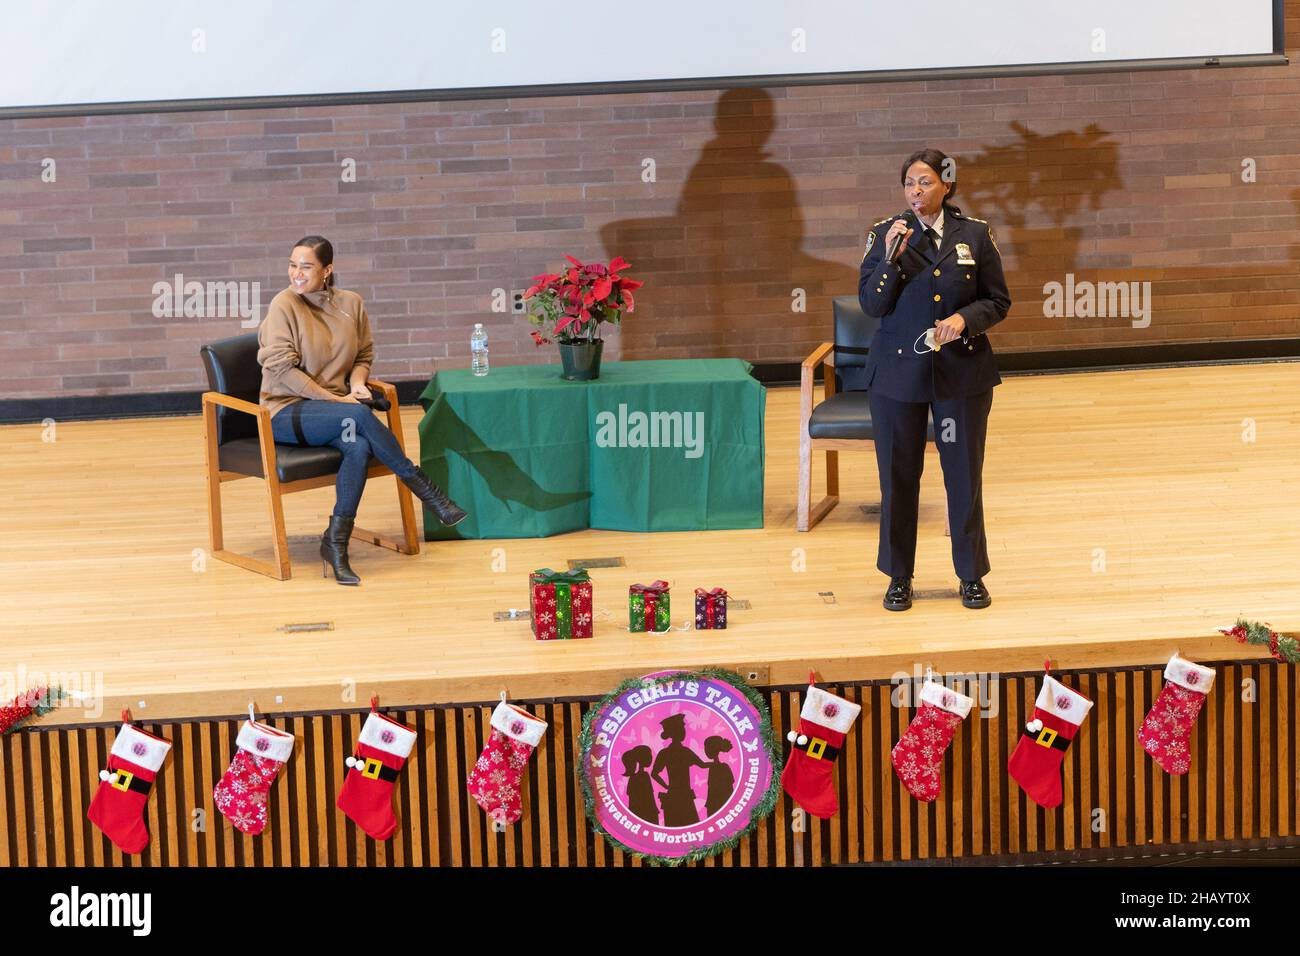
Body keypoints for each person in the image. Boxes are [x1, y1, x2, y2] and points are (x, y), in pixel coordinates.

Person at [257, 236, 467, 585]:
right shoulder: (283, 305)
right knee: (357, 417)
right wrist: (339, 401)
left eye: (306, 266)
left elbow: (363, 356)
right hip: (285, 411)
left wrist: (357, 384)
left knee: (358, 446)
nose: (296, 273)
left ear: (327, 270)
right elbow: (281, 370)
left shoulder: (351, 304)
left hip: (338, 413)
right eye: (292, 264)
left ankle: (335, 544)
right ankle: (429, 492)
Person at [858, 149, 1011, 611]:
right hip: (898, 375)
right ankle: (898, 576)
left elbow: (998, 301)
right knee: (898, 477)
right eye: (909, 183)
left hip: (960, 373)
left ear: (947, 185)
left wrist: (965, 319)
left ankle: (970, 575)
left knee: (963, 475)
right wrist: (889, 261)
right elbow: (871, 304)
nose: (916, 191)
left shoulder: (976, 235)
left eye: (925, 182)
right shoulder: (886, 233)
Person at [650, 713, 707, 826]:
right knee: (685, 825)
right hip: (679, 795)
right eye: (682, 729)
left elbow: (702, 765)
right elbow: (654, 773)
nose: (684, 732)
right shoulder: (675, 752)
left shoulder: (673, 752)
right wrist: (666, 786)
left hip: (681, 794)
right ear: (675, 732)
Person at [621, 745, 659, 824]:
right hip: (645, 814)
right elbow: (648, 796)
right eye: (649, 756)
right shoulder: (642, 776)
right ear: (642, 758)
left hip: (640, 813)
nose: (651, 758)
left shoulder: (635, 777)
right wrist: (653, 811)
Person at [702, 736, 735, 818]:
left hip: (721, 804)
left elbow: (729, 787)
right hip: (713, 804)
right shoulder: (713, 767)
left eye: (707, 748)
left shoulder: (723, 767)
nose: (705, 750)